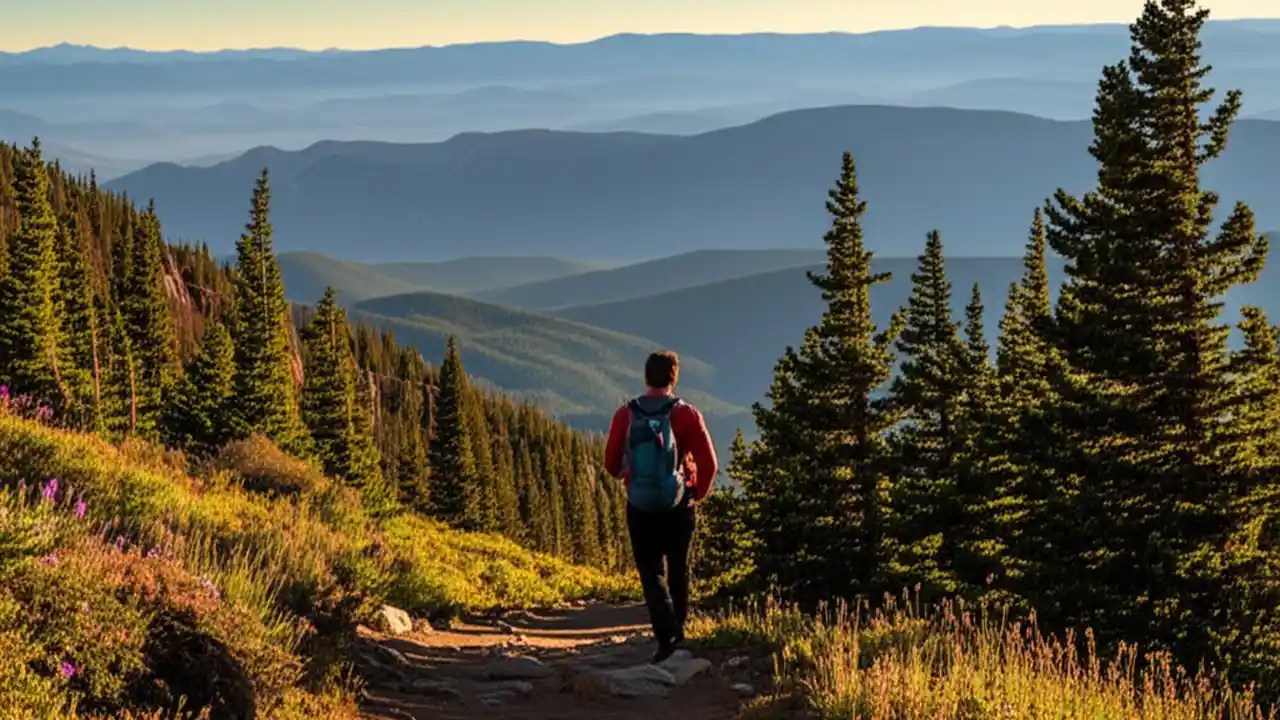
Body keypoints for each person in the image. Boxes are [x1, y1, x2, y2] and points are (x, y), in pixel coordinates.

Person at [604, 350, 718, 663]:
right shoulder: (686, 414)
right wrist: (697, 493)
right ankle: (678, 628)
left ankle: (666, 634)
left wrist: (627, 475)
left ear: (646, 377)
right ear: (673, 377)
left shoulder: (625, 414)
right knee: (678, 567)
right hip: (678, 504)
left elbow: (610, 461)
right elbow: (709, 463)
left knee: (649, 569)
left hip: (640, 505)